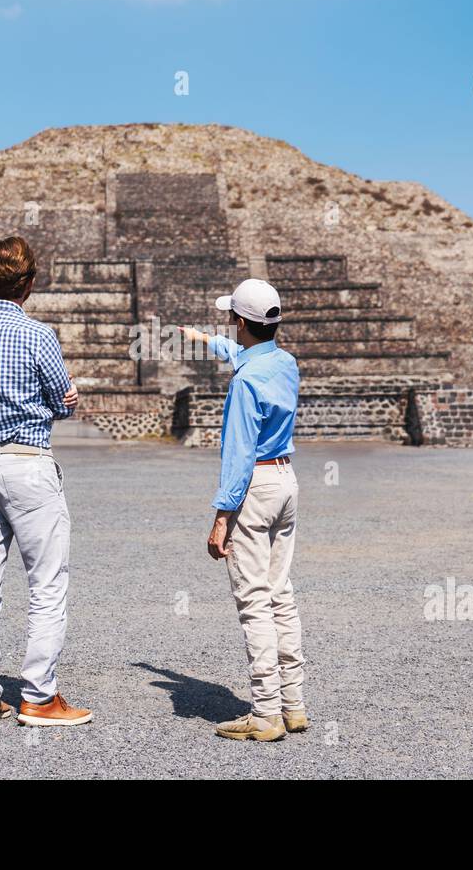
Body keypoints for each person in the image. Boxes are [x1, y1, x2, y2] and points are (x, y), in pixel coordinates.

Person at [0, 235, 92, 728]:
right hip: (28, 464)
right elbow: (61, 401)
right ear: (29, 283)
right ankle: (38, 696)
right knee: (46, 585)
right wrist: (65, 402)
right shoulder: (39, 336)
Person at [180, 279, 306, 742]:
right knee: (280, 595)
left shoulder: (244, 384)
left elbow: (237, 454)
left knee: (253, 601)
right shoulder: (283, 363)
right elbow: (244, 354)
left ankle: (266, 712)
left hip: (254, 486)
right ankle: (293, 704)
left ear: (238, 321)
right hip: (286, 482)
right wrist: (201, 340)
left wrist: (220, 517)